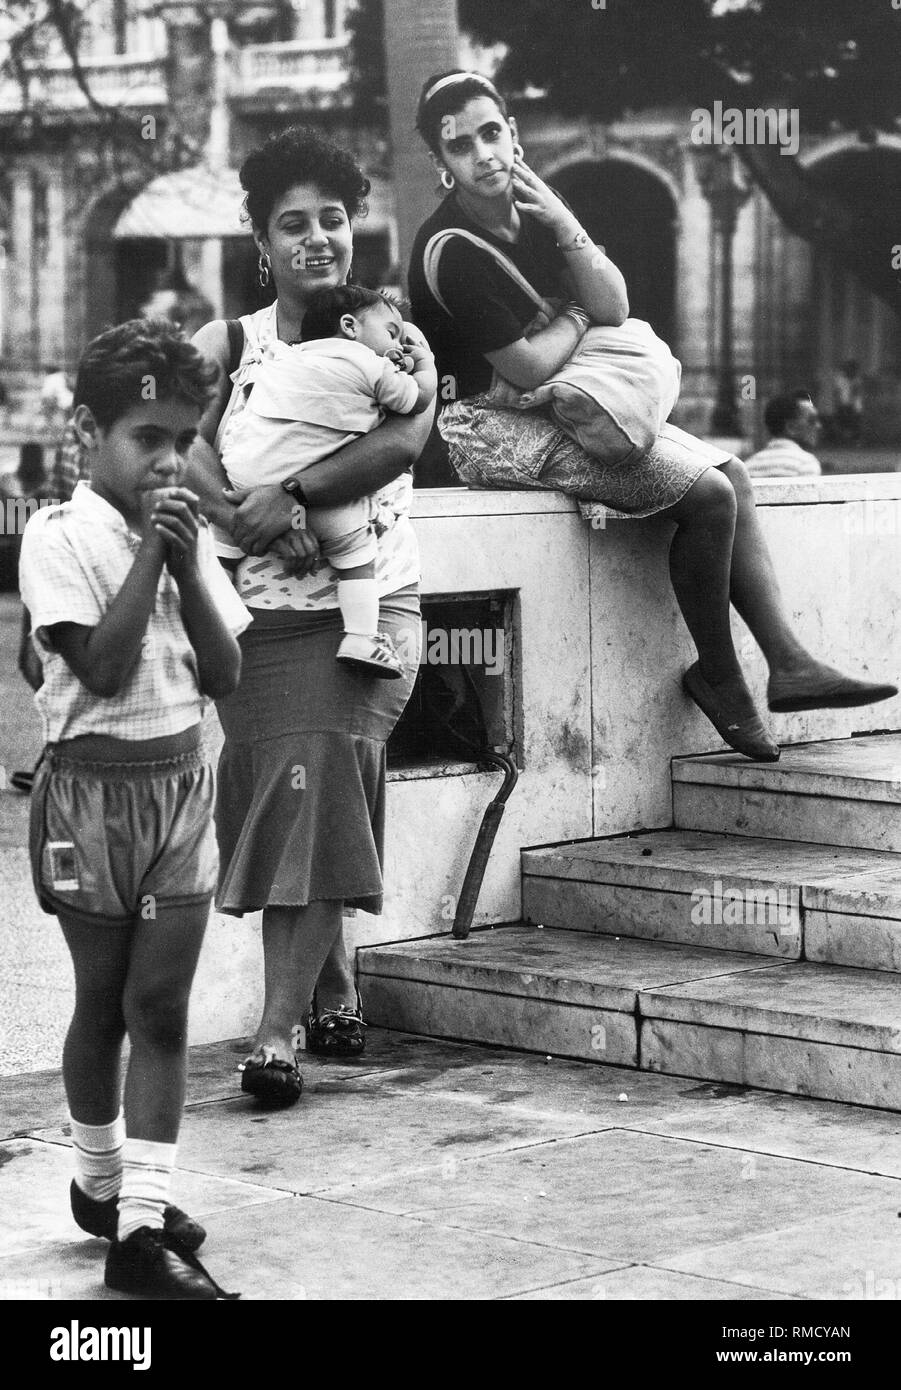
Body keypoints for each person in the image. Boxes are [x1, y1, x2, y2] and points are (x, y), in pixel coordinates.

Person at [408, 69, 896, 759]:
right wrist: (576, 315)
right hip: (486, 432)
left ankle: (789, 663)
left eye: (492, 133)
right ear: (442, 162)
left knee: (733, 469)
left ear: (512, 133)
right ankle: (718, 676)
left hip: (559, 402)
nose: (483, 154)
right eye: (462, 146)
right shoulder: (448, 248)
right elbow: (523, 365)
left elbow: (615, 304)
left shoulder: (534, 211)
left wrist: (566, 223)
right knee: (707, 493)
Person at [184, 127, 433, 1105]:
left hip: (366, 615)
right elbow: (181, 448)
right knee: (293, 805)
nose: (317, 239)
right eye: (293, 225)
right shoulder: (228, 345)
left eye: (333, 219)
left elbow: (408, 436)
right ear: (259, 241)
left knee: (317, 781)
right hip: (255, 624)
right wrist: (232, 503)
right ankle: (332, 987)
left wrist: (290, 493)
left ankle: (274, 1035)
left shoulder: (389, 331)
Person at [18, 319, 249, 1300]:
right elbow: (103, 668)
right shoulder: (56, 537)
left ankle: (140, 1225)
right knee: (103, 1005)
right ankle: (100, 1178)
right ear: (86, 433)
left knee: (160, 1005)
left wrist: (188, 564)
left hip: (179, 793)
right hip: (90, 804)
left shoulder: (188, 540)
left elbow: (226, 669)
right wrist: (155, 556)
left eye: (180, 441)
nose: (166, 459)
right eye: (144, 438)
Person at [220, 283, 436, 678]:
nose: (398, 345)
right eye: (392, 333)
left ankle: (217, 596)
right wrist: (426, 367)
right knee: (356, 557)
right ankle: (360, 637)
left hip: (244, 477)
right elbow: (414, 402)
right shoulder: (371, 366)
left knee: (224, 537)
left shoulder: (282, 355)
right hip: (321, 500)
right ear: (350, 326)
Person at [743, 393, 824, 478]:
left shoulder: (748, 466)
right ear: (791, 427)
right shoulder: (806, 464)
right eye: (812, 420)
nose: (818, 426)